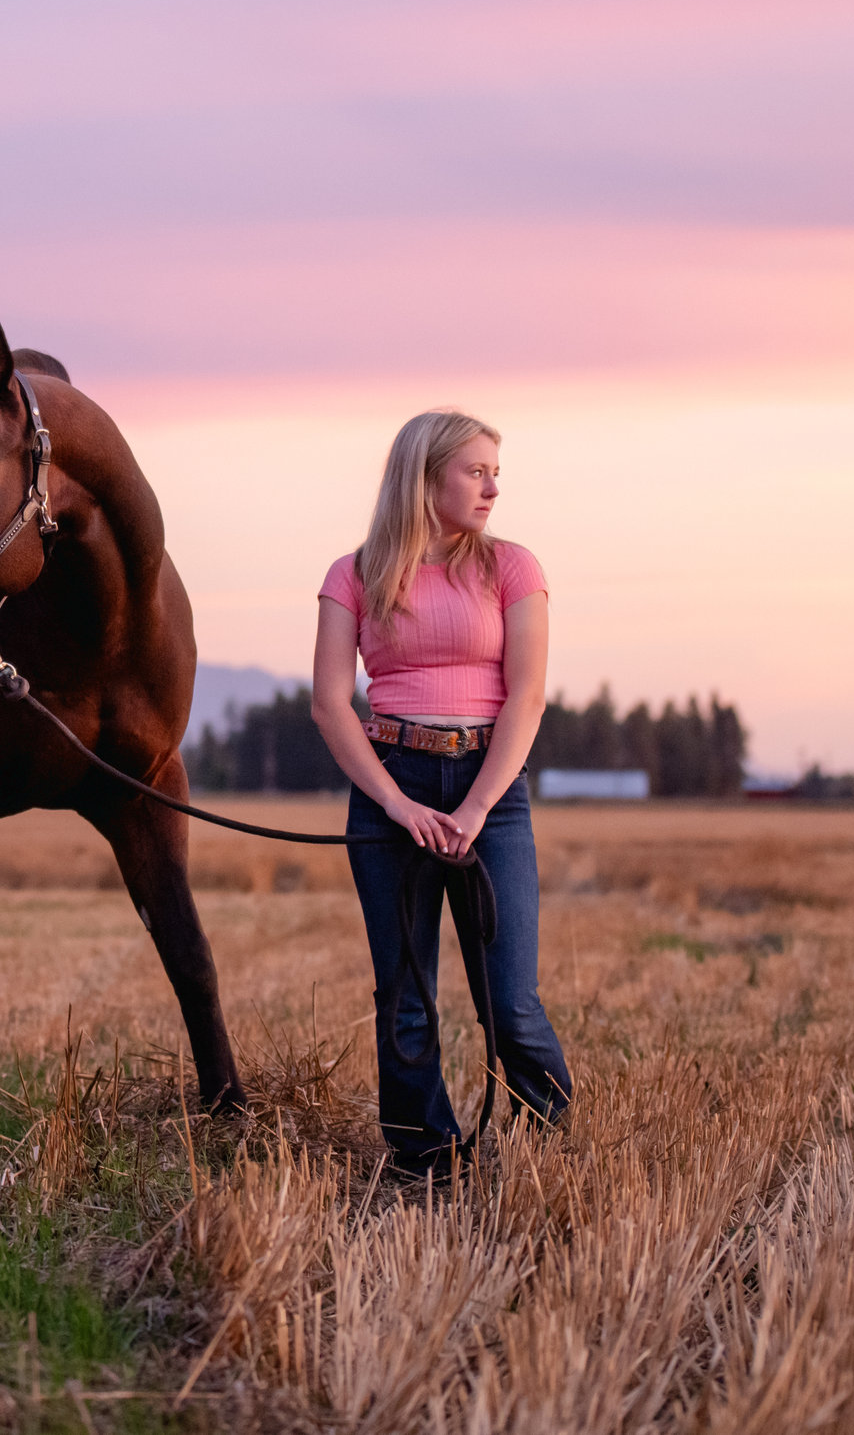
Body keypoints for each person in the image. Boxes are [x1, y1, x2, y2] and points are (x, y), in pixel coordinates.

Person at [313, 409, 573, 1173]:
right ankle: (423, 1158)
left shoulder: (513, 568)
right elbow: (331, 702)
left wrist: (474, 809)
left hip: (489, 789)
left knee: (511, 1002)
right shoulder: (353, 574)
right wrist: (397, 807)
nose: (494, 486)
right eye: (476, 471)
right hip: (390, 782)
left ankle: (547, 1153)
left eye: (496, 470)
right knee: (404, 996)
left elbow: (525, 698)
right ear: (426, 478)